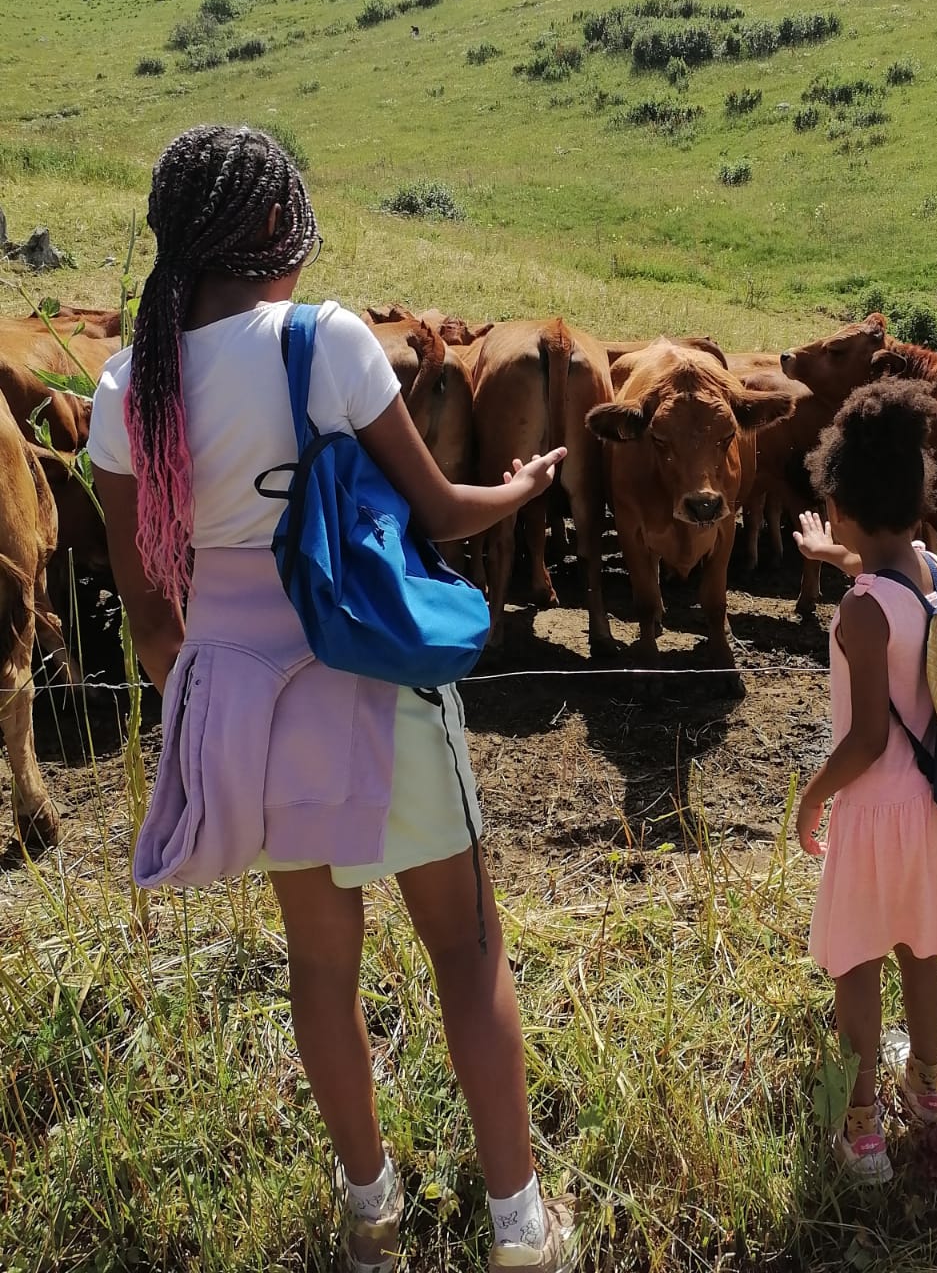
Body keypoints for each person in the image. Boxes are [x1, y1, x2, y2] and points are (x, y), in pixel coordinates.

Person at [88, 125, 575, 1273]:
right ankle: (520, 1230)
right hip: (377, 684)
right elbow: (440, 515)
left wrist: (220, 709)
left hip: (249, 718)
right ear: (273, 232)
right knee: (466, 949)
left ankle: (372, 1213)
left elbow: (153, 619)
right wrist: (519, 487)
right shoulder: (326, 342)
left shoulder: (124, 389)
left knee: (321, 970)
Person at [792, 378, 937, 1183]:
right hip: (934, 812)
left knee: (856, 964)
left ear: (837, 503)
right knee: (922, 954)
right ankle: (931, 1094)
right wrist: (833, 555)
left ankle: (865, 1127)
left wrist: (813, 793)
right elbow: (884, 575)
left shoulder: (856, 615)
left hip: (873, 816)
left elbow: (869, 738)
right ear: (917, 504)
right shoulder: (931, 574)